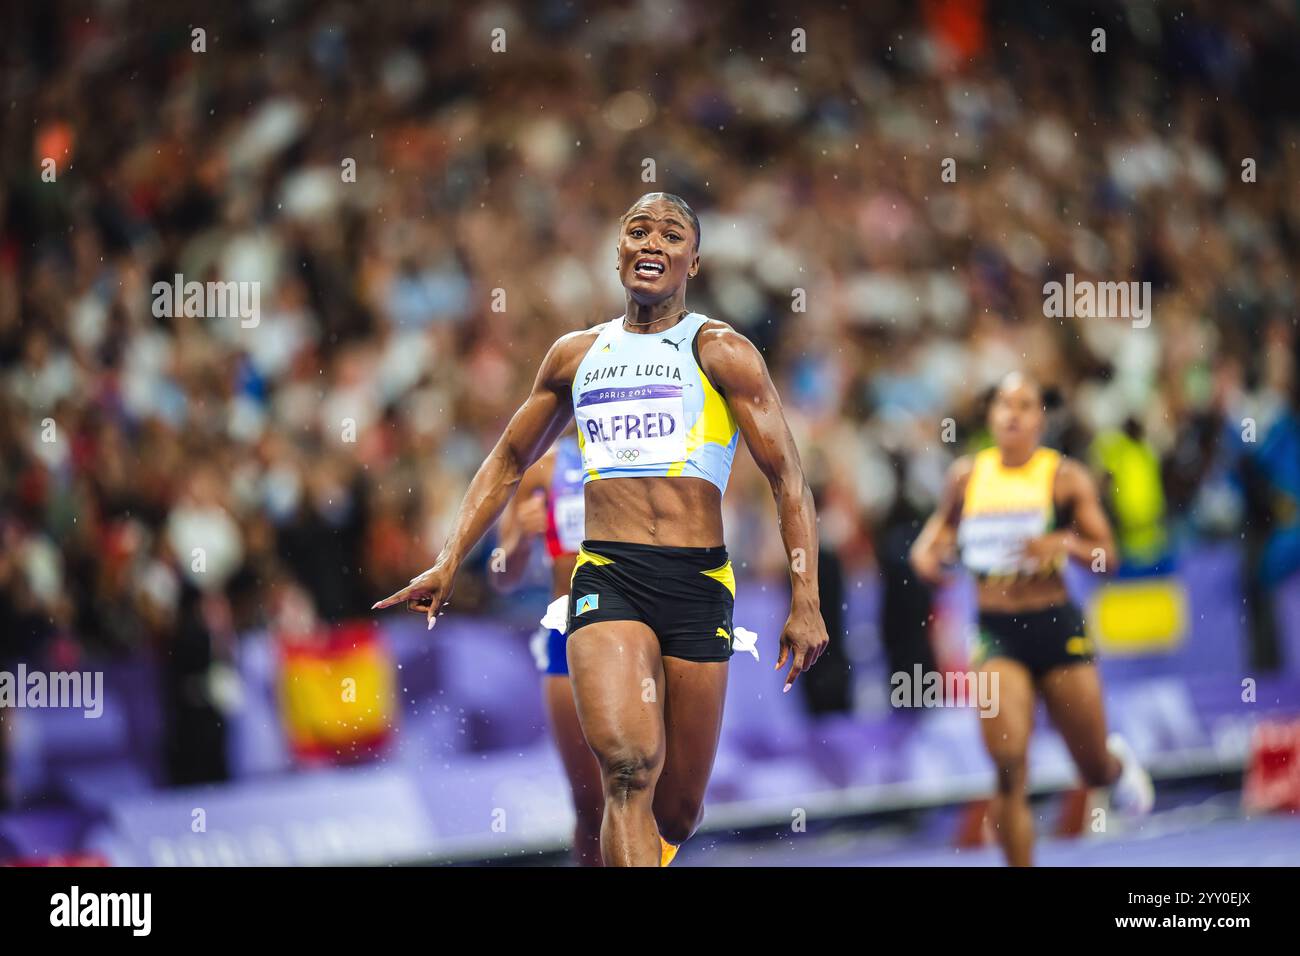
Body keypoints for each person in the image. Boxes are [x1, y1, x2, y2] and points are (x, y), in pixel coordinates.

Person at [374, 193, 828, 867]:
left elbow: (789, 479)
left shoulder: (722, 352)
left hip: (699, 582)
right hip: (607, 577)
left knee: (678, 807)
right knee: (625, 771)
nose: (652, 242)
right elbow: (507, 458)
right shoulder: (574, 355)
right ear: (617, 252)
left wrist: (807, 598)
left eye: (671, 234)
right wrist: (449, 559)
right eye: (637, 230)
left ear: (692, 260)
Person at [909, 372, 1153, 866]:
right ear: (991, 416)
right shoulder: (966, 477)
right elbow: (925, 552)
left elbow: (1109, 558)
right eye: (1004, 404)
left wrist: (1062, 543)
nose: (1013, 413)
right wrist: (938, 562)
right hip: (998, 636)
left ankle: (1115, 764)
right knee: (1007, 767)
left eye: (1025, 405)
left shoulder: (1064, 477)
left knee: (1091, 768)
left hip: (1056, 628)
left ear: (1041, 419)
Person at [491, 432, 604, 866]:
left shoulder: (640, 455)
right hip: (568, 634)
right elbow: (501, 577)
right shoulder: (544, 469)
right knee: (590, 805)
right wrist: (519, 536)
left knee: (642, 796)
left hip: (633, 630)